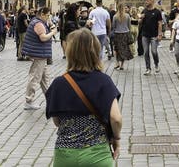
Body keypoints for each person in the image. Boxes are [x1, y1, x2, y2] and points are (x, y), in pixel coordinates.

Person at [46, 27, 123, 165]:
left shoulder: (59, 83)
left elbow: (57, 121)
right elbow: (115, 118)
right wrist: (116, 139)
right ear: (95, 52)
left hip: (65, 154)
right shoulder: (103, 81)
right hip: (97, 154)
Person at [22, 5, 57, 109]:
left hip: (41, 54)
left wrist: (50, 24)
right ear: (42, 14)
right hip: (39, 54)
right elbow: (43, 38)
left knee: (44, 78)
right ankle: (29, 100)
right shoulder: (38, 24)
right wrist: (53, 33)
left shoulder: (37, 21)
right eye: (47, 15)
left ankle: (50, 99)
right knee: (35, 78)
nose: (48, 18)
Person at [139, 0, 163, 75]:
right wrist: (141, 19)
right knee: (146, 52)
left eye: (148, 1)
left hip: (154, 35)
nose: (146, 2)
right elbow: (139, 22)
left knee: (154, 51)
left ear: (152, 2)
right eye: (146, 0)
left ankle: (156, 64)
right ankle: (148, 68)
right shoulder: (144, 11)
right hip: (145, 35)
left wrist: (160, 34)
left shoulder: (157, 12)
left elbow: (160, 23)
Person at [112, 3, 133, 71]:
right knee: (124, 49)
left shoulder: (115, 16)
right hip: (125, 34)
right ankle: (122, 65)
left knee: (117, 49)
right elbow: (129, 26)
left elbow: (113, 26)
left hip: (117, 34)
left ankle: (117, 63)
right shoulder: (127, 16)